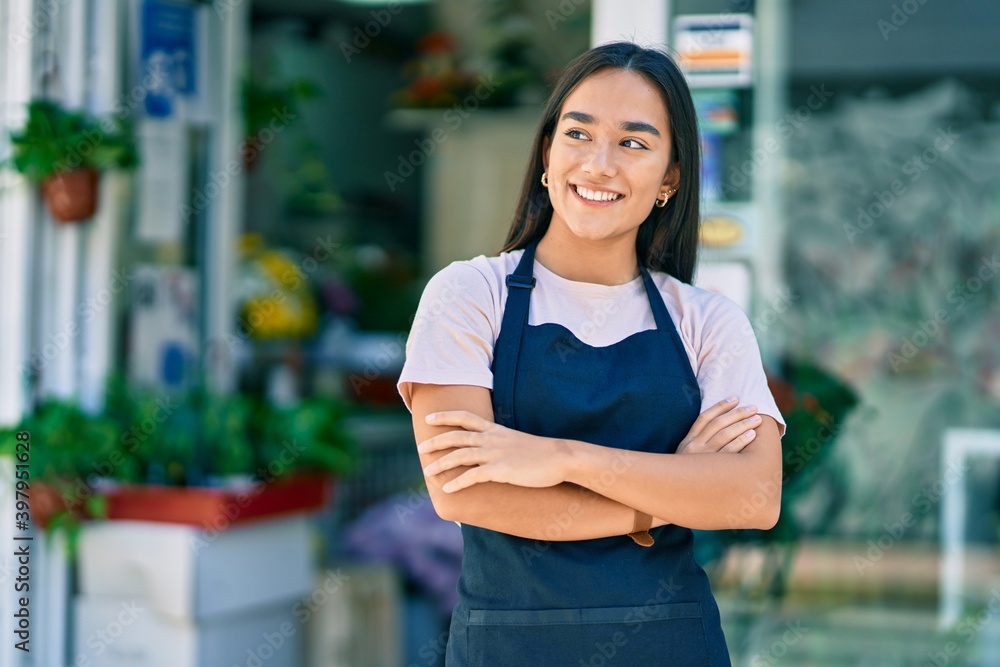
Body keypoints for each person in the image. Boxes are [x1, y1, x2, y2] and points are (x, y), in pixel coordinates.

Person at [397, 41, 786, 667]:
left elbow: (753, 499)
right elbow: (465, 494)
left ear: (670, 178)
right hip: (510, 646)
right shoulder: (470, 295)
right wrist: (662, 497)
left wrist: (557, 457)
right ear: (548, 155)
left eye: (634, 143)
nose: (599, 164)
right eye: (579, 133)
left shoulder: (707, 321)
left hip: (670, 643)